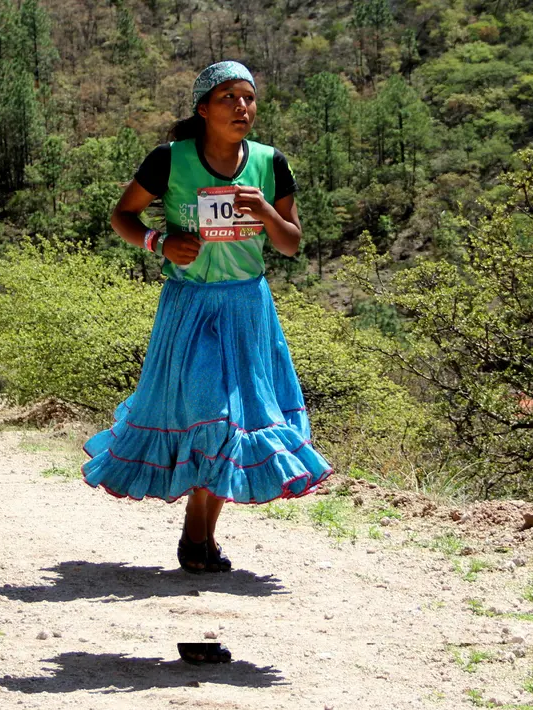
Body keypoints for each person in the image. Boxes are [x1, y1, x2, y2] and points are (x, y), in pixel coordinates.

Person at [85, 60, 331, 574]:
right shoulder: (170, 160)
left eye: (249, 98)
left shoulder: (269, 162)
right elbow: (122, 215)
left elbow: (290, 243)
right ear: (203, 110)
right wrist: (159, 241)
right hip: (189, 306)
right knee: (208, 413)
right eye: (229, 99)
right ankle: (197, 537)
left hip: (246, 308)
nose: (243, 108)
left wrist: (265, 211)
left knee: (232, 422)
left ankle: (199, 537)